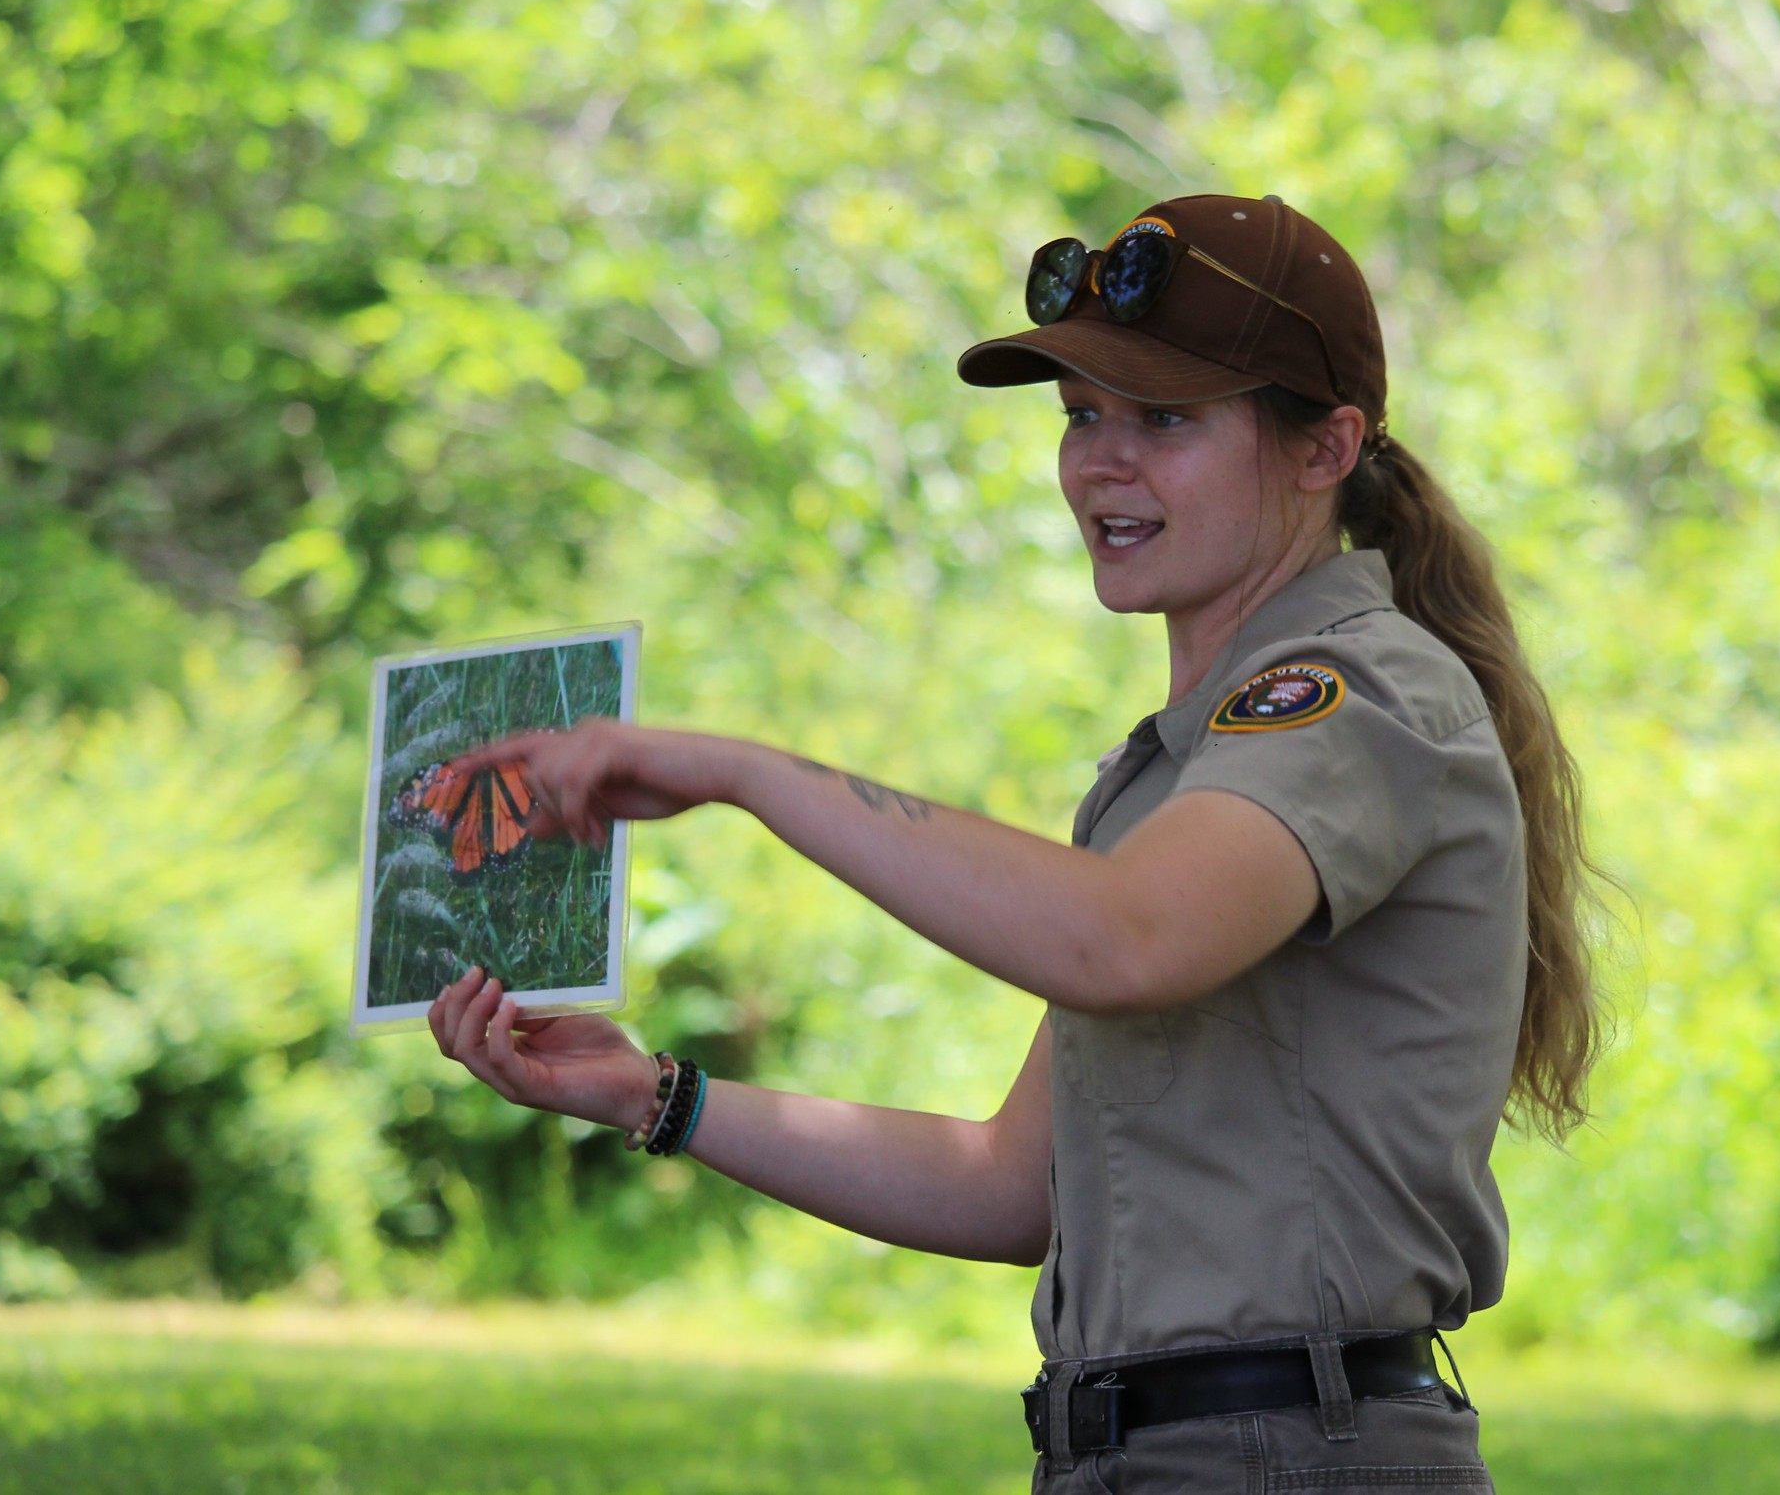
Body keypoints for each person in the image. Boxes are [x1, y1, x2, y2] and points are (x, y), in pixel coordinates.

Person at [428, 193, 1607, 1494]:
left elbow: (1121, 938)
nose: (1102, 464)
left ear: (1325, 447)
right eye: (1081, 416)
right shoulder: (1181, 773)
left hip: (1289, 1455)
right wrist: (653, 1096)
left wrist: (741, 772)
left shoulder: (1353, 693)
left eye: (1165, 419)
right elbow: (1012, 1186)